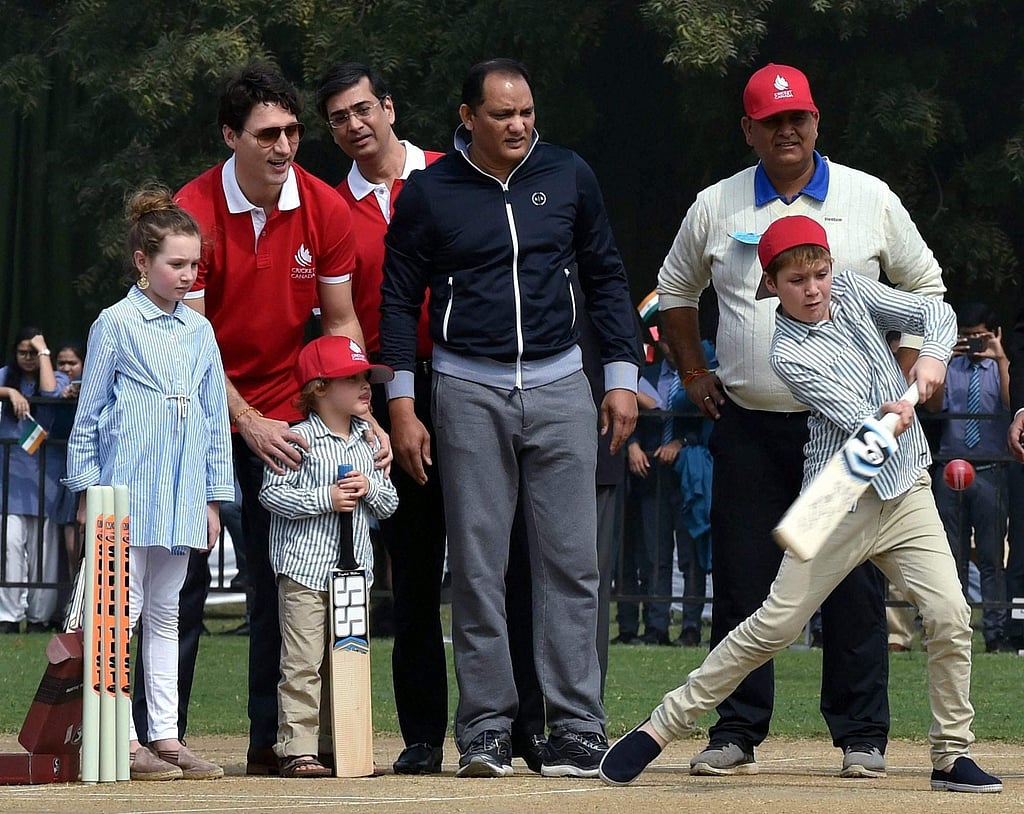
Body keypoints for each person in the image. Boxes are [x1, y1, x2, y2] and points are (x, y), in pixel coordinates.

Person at [600, 215, 1003, 794]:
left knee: (950, 617)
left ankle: (951, 756)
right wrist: (892, 412)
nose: (815, 289)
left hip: (907, 484)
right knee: (773, 626)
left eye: (820, 273)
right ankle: (662, 725)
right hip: (836, 492)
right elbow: (863, 422)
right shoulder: (789, 355)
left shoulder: (855, 290)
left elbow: (934, 312)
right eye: (798, 280)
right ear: (770, 285)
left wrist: (934, 356)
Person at [655, 62, 946, 777]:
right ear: (748, 129)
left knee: (852, 582)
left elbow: (926, 283)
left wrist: (908, 371)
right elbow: (674, 290)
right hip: (752, 424)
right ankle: (735, 732)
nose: (788, 130)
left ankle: (861, 736)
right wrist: (693, 371)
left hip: (851, 436)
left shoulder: (866, 196)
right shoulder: (716, 205)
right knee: (745, 577)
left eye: (800, 118)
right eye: (772, 120)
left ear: (817, 121)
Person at [379, 58, 640, 778]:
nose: (519, 126)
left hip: (562, 382)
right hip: (465, 387)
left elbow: (607, 273)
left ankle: (579, 726)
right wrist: (402, 402)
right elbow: (398, 298)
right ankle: (486, 730)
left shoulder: (569, 174)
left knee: (572, 564)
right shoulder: (429, 194)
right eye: (502, 115)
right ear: (468, 118)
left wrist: (620, 376)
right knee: (478, 567)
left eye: (526, 112)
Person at [128, 63, 383, 774]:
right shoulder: (194, 209)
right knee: (180, 580)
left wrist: (362, 411)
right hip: (194, 414)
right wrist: (248, 422)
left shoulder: (325, 207)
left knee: (285, 581)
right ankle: (160, 738)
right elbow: (194, 346)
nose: (285, 145)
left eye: (294, 131)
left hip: (286, 417)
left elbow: (339, 324)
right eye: (268, 133)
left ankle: (274, 743)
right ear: (230, 135)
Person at [64, 186, 234, 781]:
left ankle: (166, 735)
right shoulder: (113, 323)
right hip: (127, 488)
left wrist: (214, 498)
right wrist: (89, 493)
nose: (189, 275)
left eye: (195, 264)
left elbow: (215, 419)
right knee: (121, 612)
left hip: (183, 493)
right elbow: (88, 417)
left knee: (168, 613)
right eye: (177, 264)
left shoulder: (200, 332)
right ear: (143, 261)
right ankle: (123, 737)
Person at [313, 61, 453, 775]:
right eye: (338, 118)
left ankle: (523, 730)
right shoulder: (334, 210)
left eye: (363, 109)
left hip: (475, 378)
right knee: (416, 571)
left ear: (390, 108)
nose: (354, 125)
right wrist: (374, 409)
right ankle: (424, 734)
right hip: (391, 394)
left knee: (506, 565)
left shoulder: (453, 173)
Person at [259, 335, 398, 778]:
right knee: (302, 662)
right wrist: (326, 497)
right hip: (304, 569)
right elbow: (271, 495)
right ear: (319, 387)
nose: (365, 387)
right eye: (352, 379)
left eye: (366, 379)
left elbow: (390, 503)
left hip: (353, 575)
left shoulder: (368, 439)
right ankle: (298, 747)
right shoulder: (296, 439)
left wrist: (369, 488)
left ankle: (347, 745)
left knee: (349, 656)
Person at [924, 302, 1011, 652]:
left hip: (990, 469)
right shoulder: (953, 365)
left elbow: (1009, 402)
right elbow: (932, 406)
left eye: (981, 337)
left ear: (995, 334)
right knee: (949, 557)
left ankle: (995, 631)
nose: (974, 344)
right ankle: (954, 630)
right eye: (968, 337)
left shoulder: (1002, 368)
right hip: (950, 469)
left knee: (990, 558)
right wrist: (944, 358)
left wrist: (1000, 357)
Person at [617, 334, 684, 647]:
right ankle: (632, 625)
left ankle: (659, 626)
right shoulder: (647, 376)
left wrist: (681, 442)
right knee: (638, 552)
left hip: (680, 471)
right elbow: (628, 413)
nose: (673, 347)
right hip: (643, 471)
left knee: (666, 554)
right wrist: (632, 446)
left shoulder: (696, 375)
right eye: (668, 342)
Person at [0, 327, 68, 634]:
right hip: (10, 479)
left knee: (45, 551)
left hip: (45, 476)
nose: (28, 358)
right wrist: (10, 393)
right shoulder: (6, 377)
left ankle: (40, 617)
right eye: (23, 352)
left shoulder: (56, 378)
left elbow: (52, 392)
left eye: (34, 352)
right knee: (10, 546)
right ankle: (9, 616)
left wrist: (44, 354)